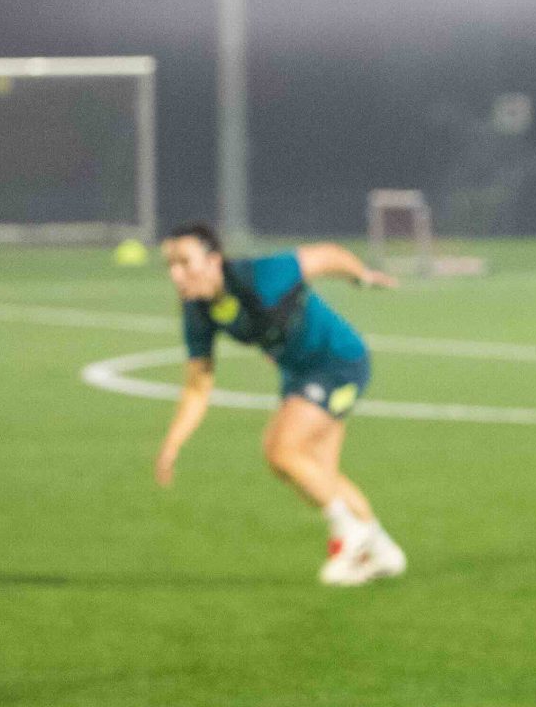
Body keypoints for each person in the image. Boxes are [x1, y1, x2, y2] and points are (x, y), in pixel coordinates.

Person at [154, 222, 409, 586]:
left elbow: (329, 255)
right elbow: (198, 387)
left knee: (281, 450)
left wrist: (362, 277)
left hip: (338, 361)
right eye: (169, 265)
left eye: (184, 261)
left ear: (213, 260)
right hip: (300, 374)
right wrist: (173, 443)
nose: (176, 274)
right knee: (319, 472)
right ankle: (383, 552)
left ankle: (351, 535)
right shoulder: (197, 311)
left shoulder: (261, 275)